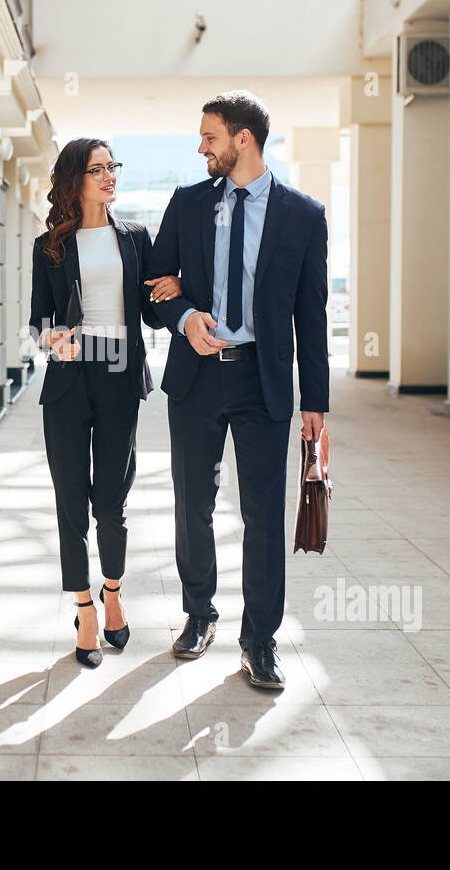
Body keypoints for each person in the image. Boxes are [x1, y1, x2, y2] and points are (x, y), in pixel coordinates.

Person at [143, 91, 331, 688]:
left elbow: (314, 316)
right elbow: (154, 294)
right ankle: (199, 616)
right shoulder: (189, 204)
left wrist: (316, 404)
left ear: (242, 139)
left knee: (263, 515)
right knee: (192, 505)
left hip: (263, 381)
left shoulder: (303, 216)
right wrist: (185, 317)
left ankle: (260, 640)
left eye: (210, 137)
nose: (201, 147)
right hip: (196, 378)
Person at [29, 138, 181, 669]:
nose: (109, 175)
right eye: (98, 169)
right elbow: (38, 321)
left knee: (111, 500)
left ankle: (113, 591)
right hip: (69, 378)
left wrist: (177, 293)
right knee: (71, 503)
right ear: (75, 178)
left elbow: (151, 311)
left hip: (118, 372)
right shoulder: (48, 244)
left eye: (112, 166)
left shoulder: (136, 237)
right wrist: (54, 340)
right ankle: (84, 608)